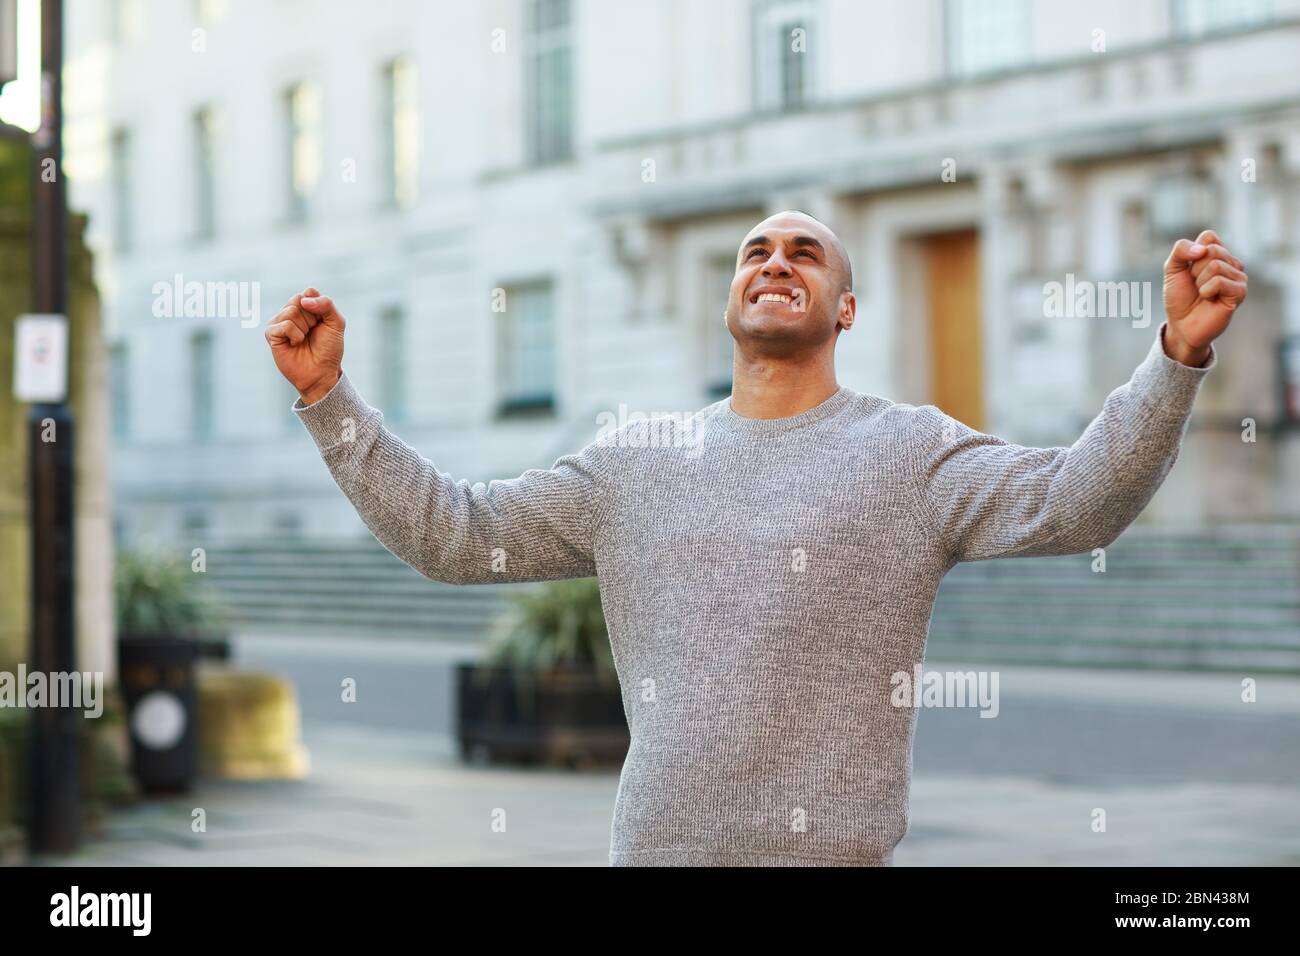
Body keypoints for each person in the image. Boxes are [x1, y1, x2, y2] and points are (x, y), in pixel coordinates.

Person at [266, 211, 1246, 866]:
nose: (774, 262)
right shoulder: (634, 461)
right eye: (754, 253)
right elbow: (454, 534)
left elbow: (1078, 501)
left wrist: (1176, 356)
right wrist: (327, 396)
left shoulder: (911, 450)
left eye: (804, 255)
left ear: (846, 308)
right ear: (730, 298)